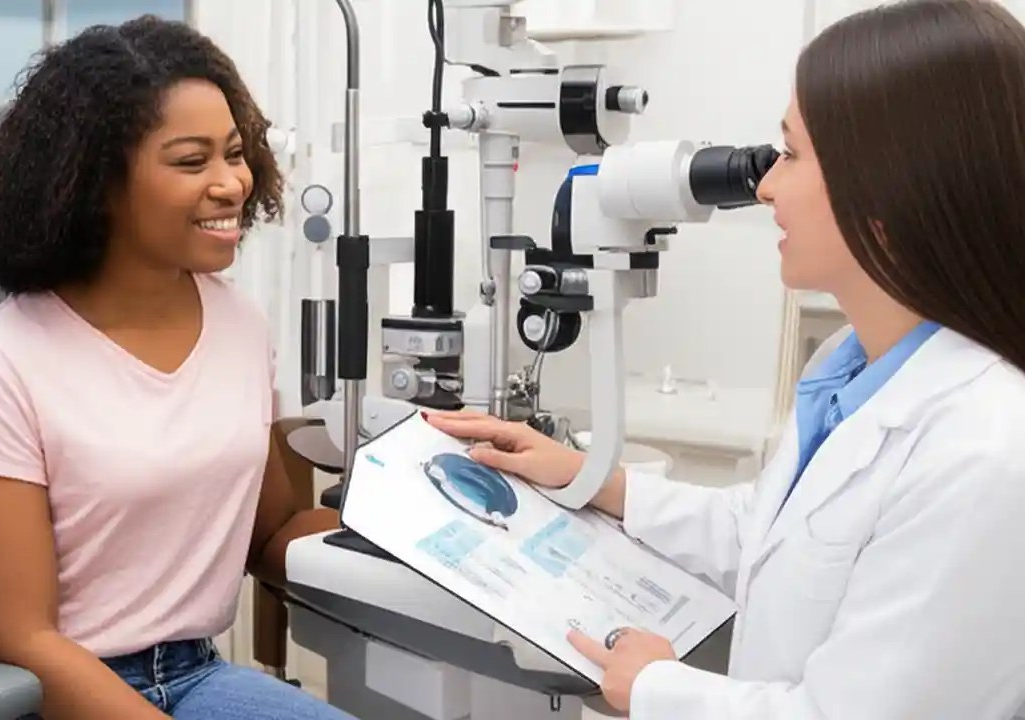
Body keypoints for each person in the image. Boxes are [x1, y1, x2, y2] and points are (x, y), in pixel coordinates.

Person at [427, 1, 1025, 717]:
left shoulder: (985, 454)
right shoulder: (853, 365)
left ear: (893, 187)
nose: (767, 186)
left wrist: (656, 688)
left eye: (793, 155)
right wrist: (594, 481)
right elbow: (775, 536)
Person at [0, 16, 352, 720]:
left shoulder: (241, 326)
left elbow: (271, 533)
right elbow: (16, 637)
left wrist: (418, 549)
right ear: (94, 183)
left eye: (236, 154)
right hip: (33, 691)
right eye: (192, 162)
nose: (232, 185)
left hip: (191, 675)